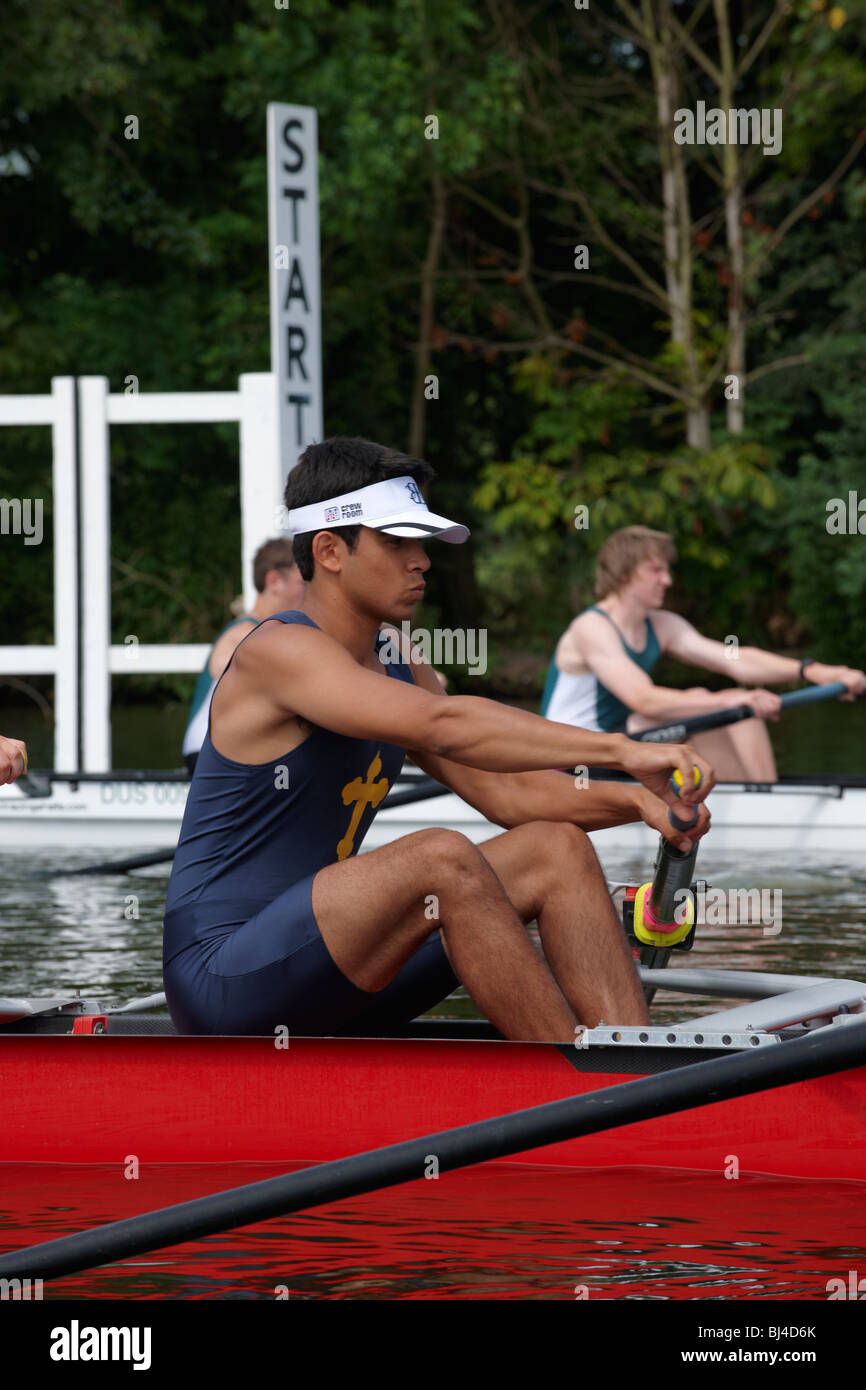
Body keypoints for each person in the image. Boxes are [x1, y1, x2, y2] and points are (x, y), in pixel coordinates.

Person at [162, 439, 713, 1044]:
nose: (420, 560)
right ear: (329, 550)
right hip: (226, 981)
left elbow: (509, 794)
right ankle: (569, 1088)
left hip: (334, 966)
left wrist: (636, 801)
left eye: (420, 543)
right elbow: (444, 725)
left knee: (555, 848)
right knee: (440, 856)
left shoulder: (399, 661)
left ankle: (630, 1066)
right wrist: (620, 749)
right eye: (397, 543)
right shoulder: (277, 651)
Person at [543, 525, 866, 781]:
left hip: (614, 750)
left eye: (667, 570)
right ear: (624, 572)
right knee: (719, 702)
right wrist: (728, 701)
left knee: (739, 707)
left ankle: (760, 796)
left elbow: (736, 660)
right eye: (656, 570)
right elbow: (644, 700)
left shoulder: (662, 625)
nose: (667, 580)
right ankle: (750, 801)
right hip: (567, 763)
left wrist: (814, 672)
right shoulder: (591, 628)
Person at [182, 538, 304, 774]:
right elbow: (226, 669)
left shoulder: (264, 632)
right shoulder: (243, 634)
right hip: (208, 756)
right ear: (274, 581)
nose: (309, 591)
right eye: (302, 582)